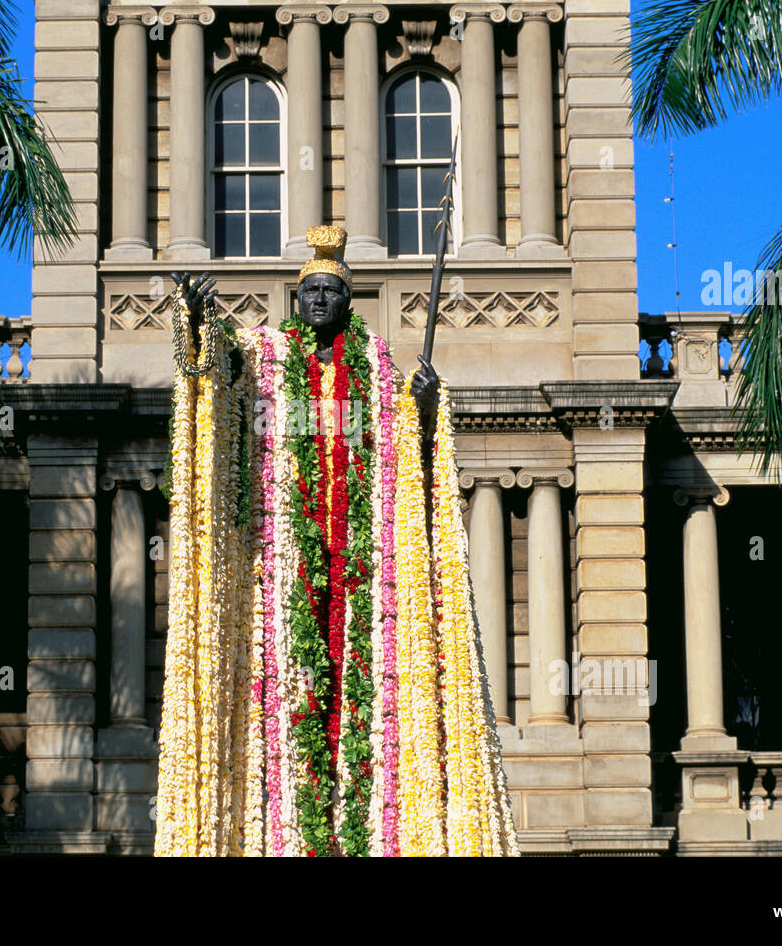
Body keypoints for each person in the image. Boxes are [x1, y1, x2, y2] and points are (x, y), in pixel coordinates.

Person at [155, 226, 517, 857]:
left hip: (363, 575)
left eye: (331, 290)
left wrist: (426, 407)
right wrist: (195, 322)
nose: (319, 300)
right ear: (296, 301)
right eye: (310, 291)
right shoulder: (265, 357)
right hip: (280, 567)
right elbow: (215, 370)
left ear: (348, 300)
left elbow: (411, 441)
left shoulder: (376, 366)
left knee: (370, 716)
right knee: (281, 708)